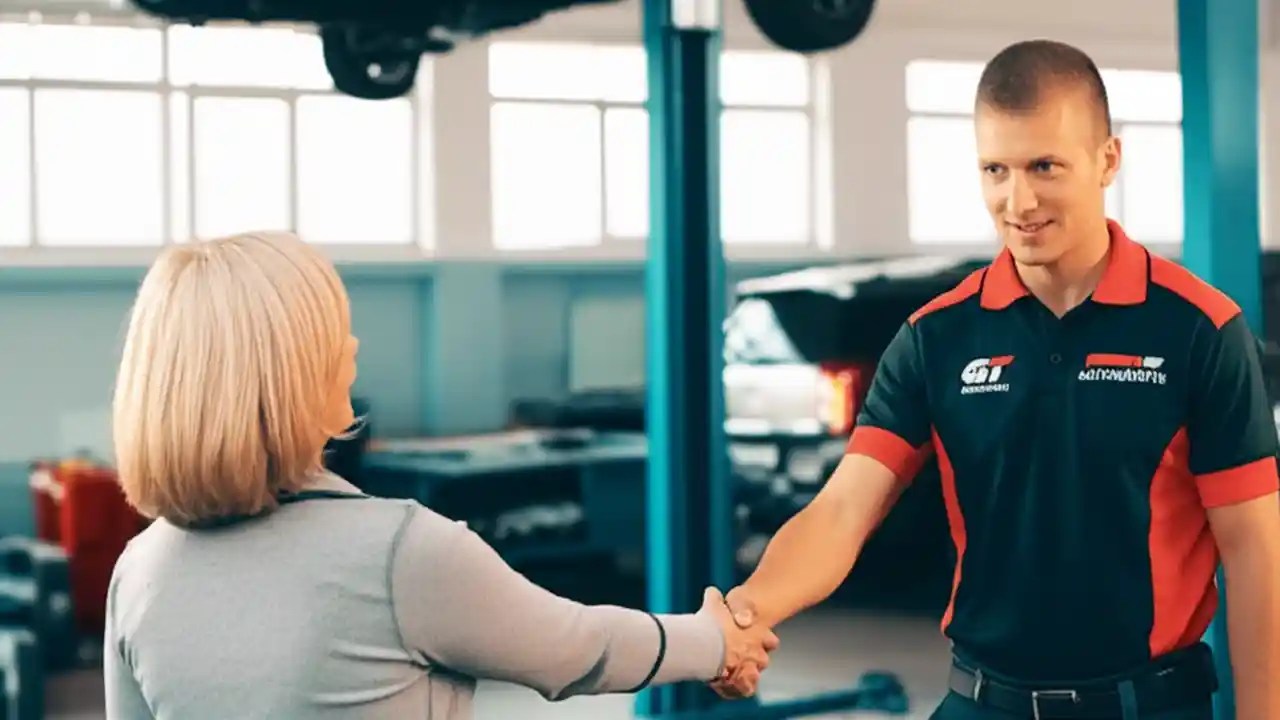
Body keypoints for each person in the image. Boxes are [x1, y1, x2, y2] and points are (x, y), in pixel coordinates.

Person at [710, 39, 1280, 720]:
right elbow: (842, 511)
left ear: (1107, 161)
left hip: (1149, 706)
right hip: (983, 702)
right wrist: (748, 610)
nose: (1018, 200)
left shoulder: (1198, 330)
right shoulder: (935, 339)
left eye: (1045, 166)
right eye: (995, 169)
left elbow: (1254, 549)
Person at [104, 231, 779, 719]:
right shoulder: (397, 552)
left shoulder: (140, 570)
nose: (354, 345)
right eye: (335, 330)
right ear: (290, 374)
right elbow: (577, 648)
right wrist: (716, 640)